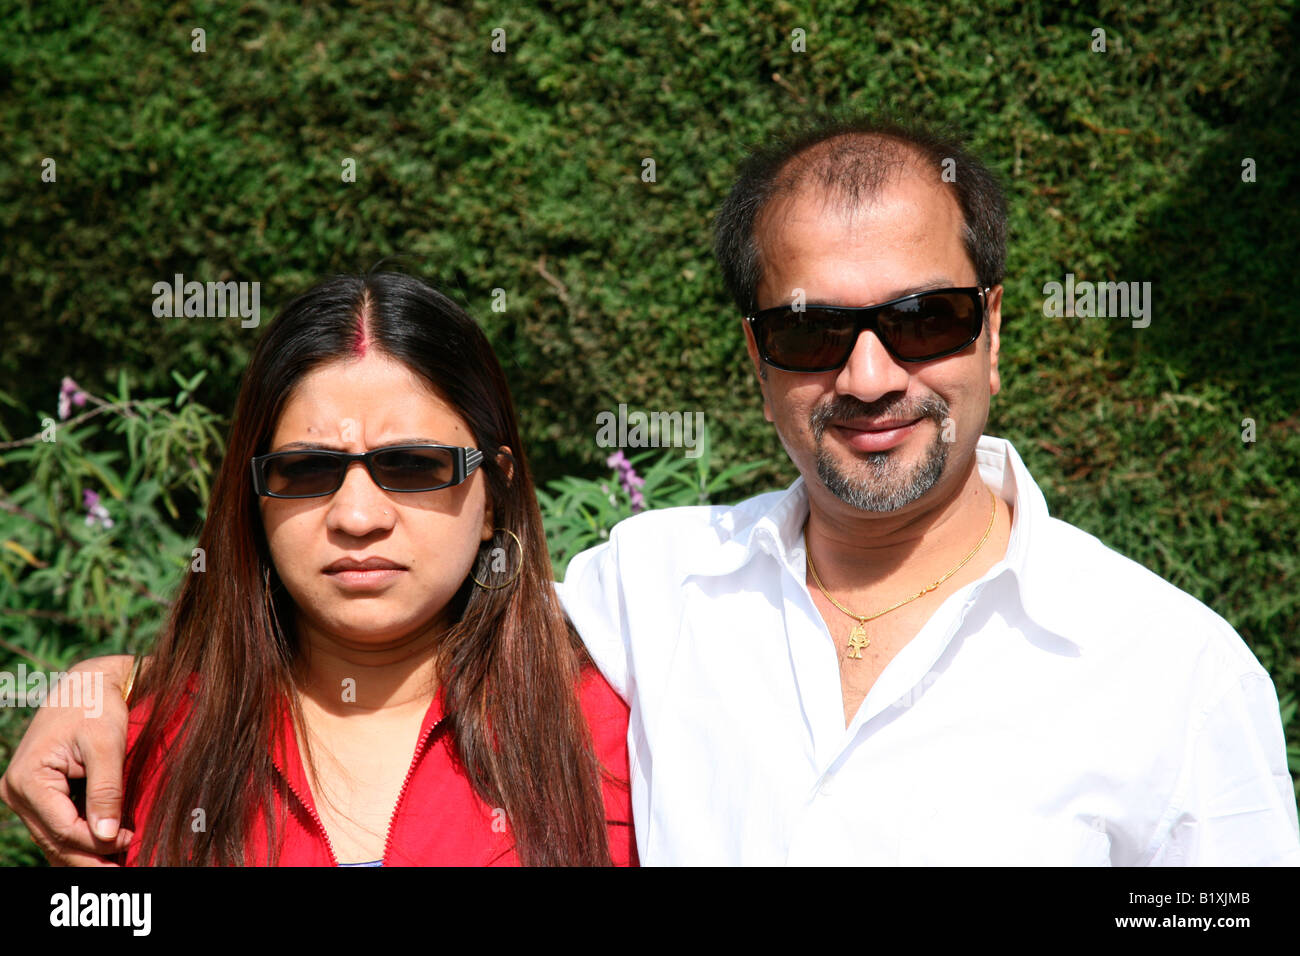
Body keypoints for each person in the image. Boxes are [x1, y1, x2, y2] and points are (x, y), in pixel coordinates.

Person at [6, 116, 1298, 866]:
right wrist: (107, 683)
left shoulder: (1176, 678)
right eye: (808, 330)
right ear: (754, 357)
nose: (869, 374)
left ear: (996, 330)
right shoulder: (652, 586)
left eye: (924, 319)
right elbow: (381, 596)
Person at [2, 270, 635, 866]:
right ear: (255, 499)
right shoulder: (130, 751)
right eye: (306, 471)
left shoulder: (626, 732)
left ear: (495, 493)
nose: (357, 518)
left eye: (413, 465)